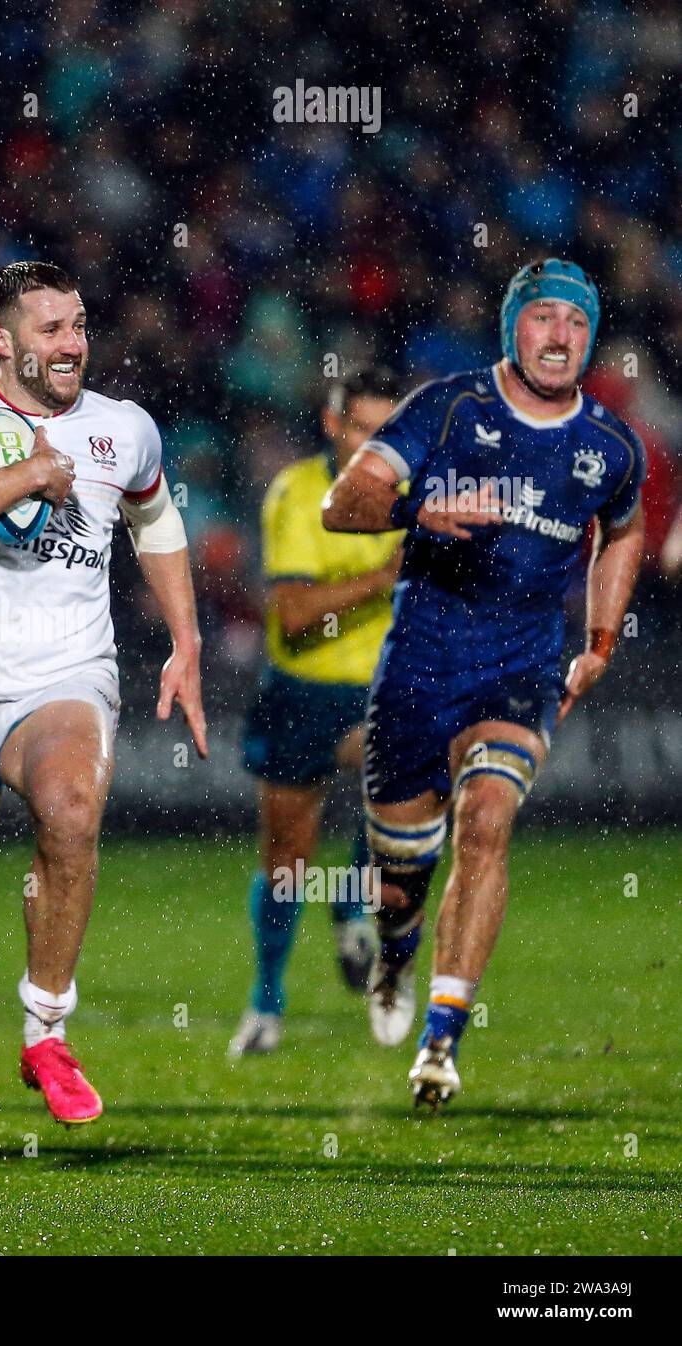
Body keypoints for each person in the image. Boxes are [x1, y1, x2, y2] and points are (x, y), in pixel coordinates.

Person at [0, 261, 206, 1169]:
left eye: (78, 324)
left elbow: (156, 518)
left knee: (71, 806)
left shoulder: (122, 428)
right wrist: (27, 475)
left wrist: (185, 640)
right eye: (51, 330)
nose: (71, 344)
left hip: (66, 674)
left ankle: (46, 1028)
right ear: (2, 341)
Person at [321, 260, 645, 1107]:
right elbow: (342, 504)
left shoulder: (609, 446)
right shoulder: (450, 405)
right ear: (514, 328)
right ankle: (395, 955)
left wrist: (599, 640)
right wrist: (413, 506)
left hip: (521, 669)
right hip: (420, 669)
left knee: (488, 820)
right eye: (543, 318)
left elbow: (625, 529)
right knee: (400, 876)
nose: (560, 336)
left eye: (576, 323)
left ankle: (441, 1039)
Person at [229, 366, 401, 1058]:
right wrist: (381, 579)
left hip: (383, 687)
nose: (377, 445)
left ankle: (354, 899)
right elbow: (295, 615)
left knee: (405, 791)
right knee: (287, 860)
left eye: (388, 430)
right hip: (301, 691)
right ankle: (267, 1000)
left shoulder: (415, 492)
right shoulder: (298, 494)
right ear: (334, 426)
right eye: (364, 428)